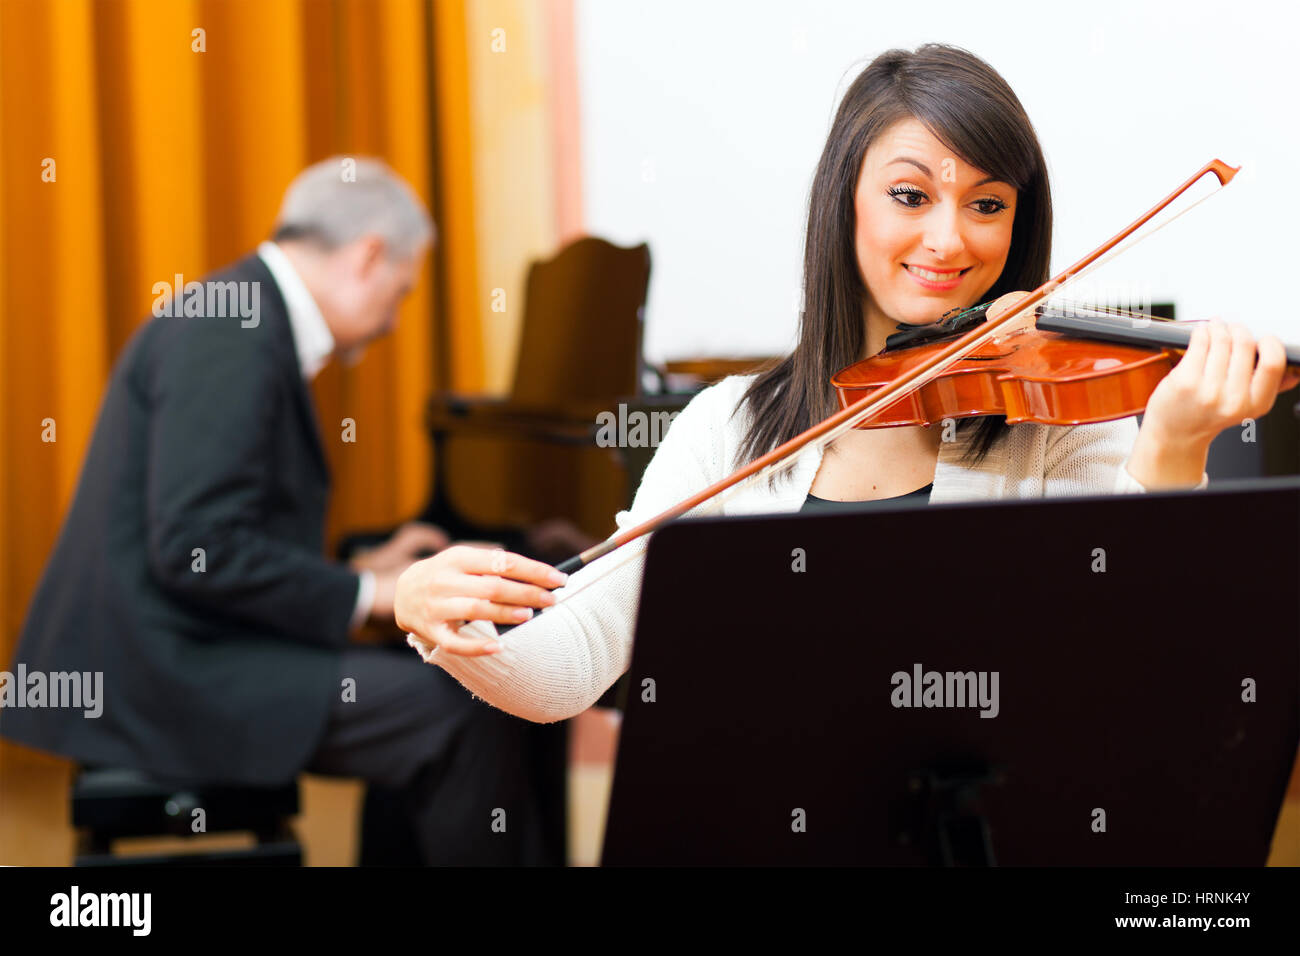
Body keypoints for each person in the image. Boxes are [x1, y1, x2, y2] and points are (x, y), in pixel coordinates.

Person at [394, 44, 1299, 723]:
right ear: (846, 200)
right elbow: (571, 663)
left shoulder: (1051, 414)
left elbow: (1134, 671)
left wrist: (1175, 446)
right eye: (911, 196)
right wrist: (438, 619)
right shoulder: (730, 427)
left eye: (987, 204)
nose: (950, 240)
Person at [1, 157, 559, 865]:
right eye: (401, 291)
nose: (394, 318)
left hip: (177, 647)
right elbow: (195, 548)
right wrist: (376, 592)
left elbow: (208, 544)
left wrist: (357, 572)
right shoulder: (231, 334)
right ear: (368, 257)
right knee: (462, 708)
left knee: (441, 685)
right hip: (162, 675)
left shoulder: (241, 315)